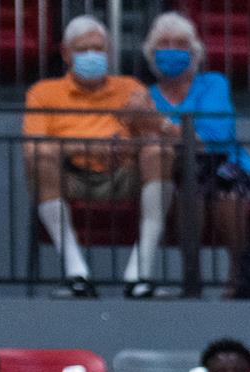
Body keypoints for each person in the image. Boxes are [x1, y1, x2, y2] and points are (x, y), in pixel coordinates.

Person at [23, 15, 178, 298]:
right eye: (83, 50)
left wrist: (152, 119)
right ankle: (76, 273)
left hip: (124, 175)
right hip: (71, 176)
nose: (92, 55)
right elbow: (33, 145)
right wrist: (88, 147)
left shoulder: (130, 88)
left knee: (159, 152)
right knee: (42, 156)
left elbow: (172, 141)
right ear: (66, 53)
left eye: (99, 48)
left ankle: (140, 274)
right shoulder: (43, 93)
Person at [140, 13, 250, 296]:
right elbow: (145, 137)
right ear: (151, 53)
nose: (171, 49)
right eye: (164, 44)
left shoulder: (213, 83)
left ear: (194, 53)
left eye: (180, 44)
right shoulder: (145, 95)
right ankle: (191, 278)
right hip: (177, 172)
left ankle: (238, 276)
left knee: (228, 194)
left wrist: (161, 125)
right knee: (188, 191)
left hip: (227, 165)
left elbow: (214, 136)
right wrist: (181, 134)